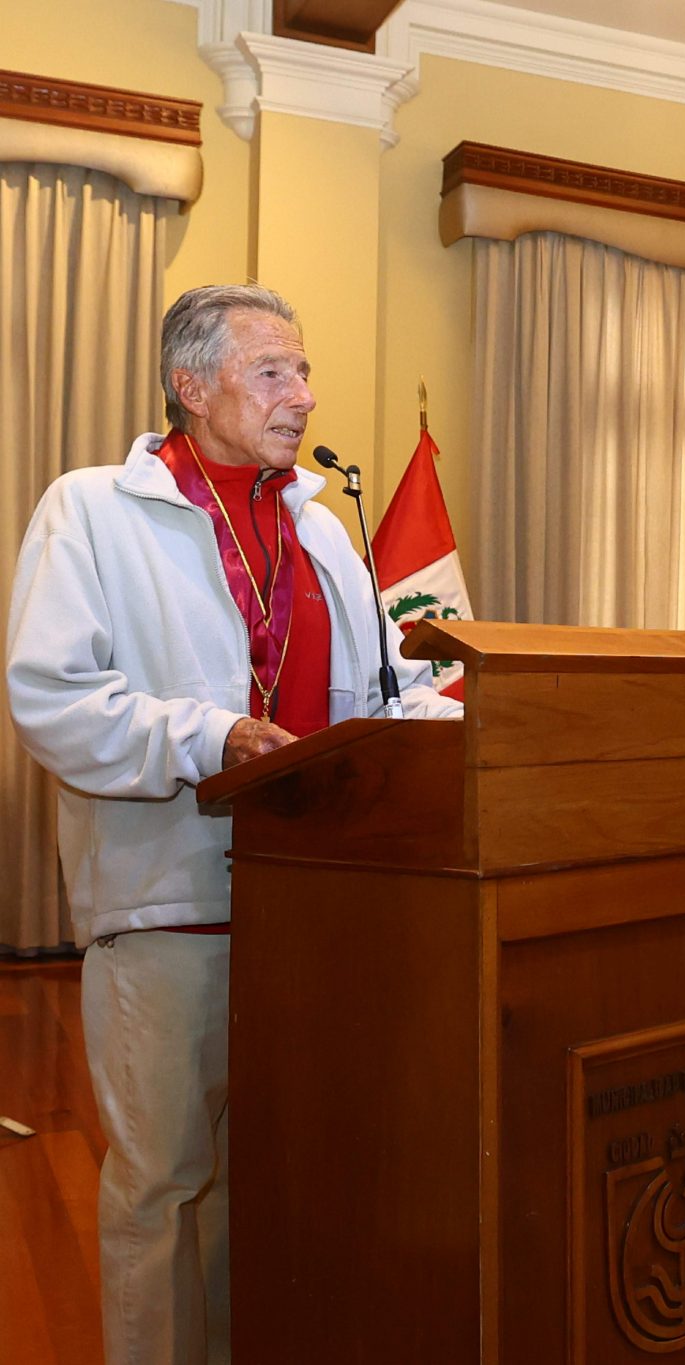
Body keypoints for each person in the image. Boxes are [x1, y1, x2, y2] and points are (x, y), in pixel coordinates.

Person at [5, 283, 462, 1364]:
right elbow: (52, 701)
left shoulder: (319, 524)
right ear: (191, 384)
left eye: (304, 371)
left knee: (275, 1175)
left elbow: (368, 702)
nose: (302, 395)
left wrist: (450, 715)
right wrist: (208, 737)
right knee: (166, 1181)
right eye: (273, 372)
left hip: (319, 904)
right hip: (174, 898)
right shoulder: (93, 511)